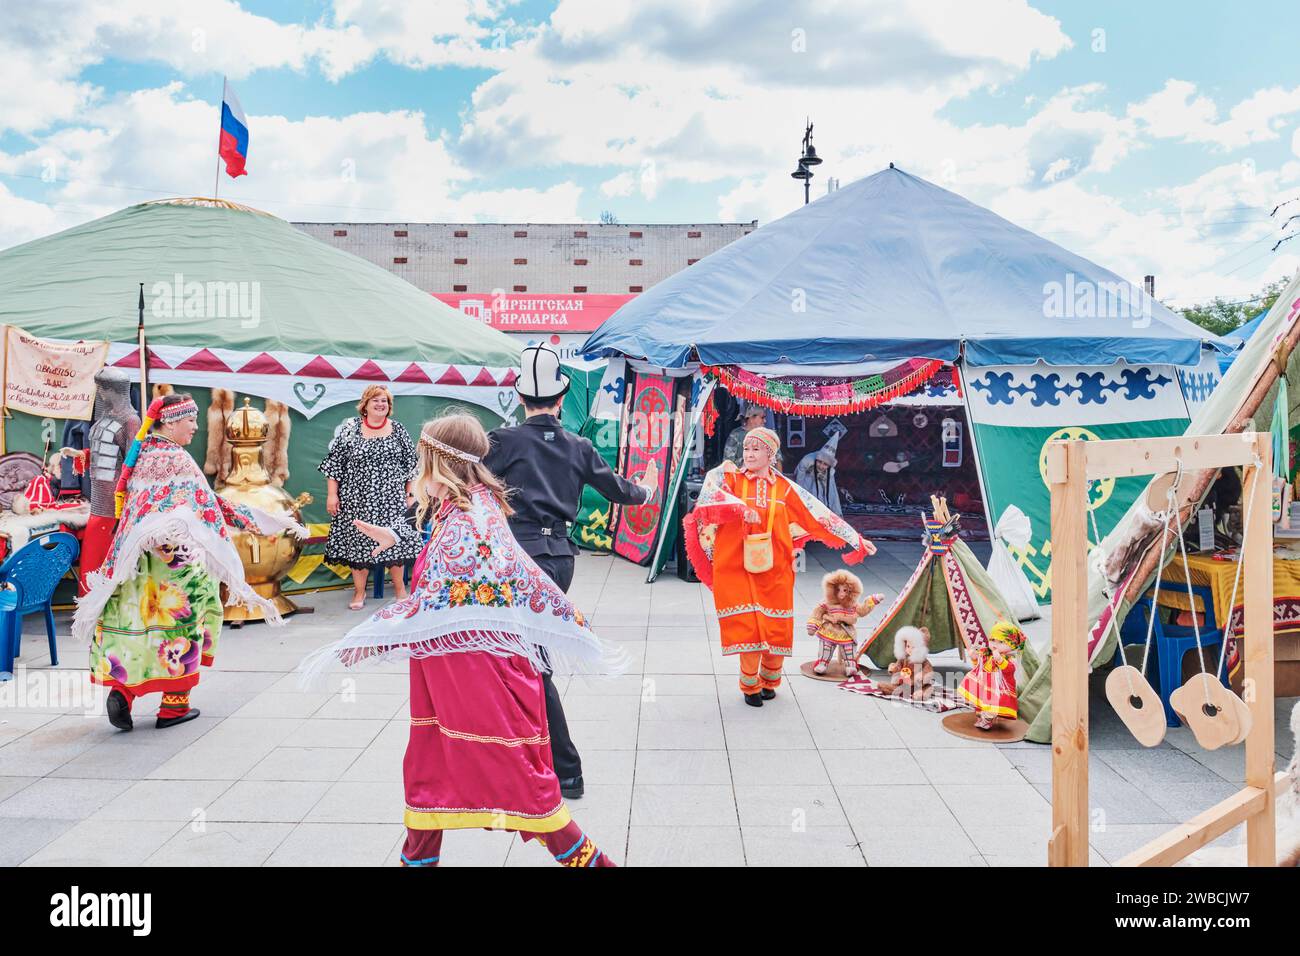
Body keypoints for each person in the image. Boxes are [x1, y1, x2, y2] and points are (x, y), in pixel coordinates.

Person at [300, 412, 619, 867]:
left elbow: (436, 599)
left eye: (422, 460)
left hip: (478, 677)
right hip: (458, 671)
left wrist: (372, 636)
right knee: (429, 773)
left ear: (441, 464)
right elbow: (452, 569)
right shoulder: (472, 505)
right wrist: (398, 535)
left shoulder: (470, 518)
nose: (416, 471)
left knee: (525, 790)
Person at [483, 344, 658, 799]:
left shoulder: (502, 440)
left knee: (528, 663)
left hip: (519, 555)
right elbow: (619, 490)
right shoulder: (578, 445)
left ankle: (564, 768)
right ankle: (544, 762)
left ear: (520, 398)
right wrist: (649, 489)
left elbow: (467, 485)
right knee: (524, 659)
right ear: (560, 399)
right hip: (559, 557)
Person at [74, 394, 304, 731]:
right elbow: (206, 504)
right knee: (183, 627)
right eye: (190, 421)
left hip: (135, 564)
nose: (196, 428)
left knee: (138, 629)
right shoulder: (176, 459)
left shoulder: (143, 456)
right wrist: (260, 520)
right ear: (170, 422)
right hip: (175, 563)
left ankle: (123, 693)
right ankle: (173, 707)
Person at [684, 427, 875, 706]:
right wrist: (737, 507)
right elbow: (709, 495)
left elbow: (820, 516)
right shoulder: (731, 480)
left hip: (776, 569)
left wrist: (855, 539)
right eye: (746, 450)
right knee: (747, 626)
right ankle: (749, 686)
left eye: (755, 450)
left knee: (775, 627)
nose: (748, 455)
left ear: (770, 455)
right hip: (736, 566)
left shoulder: (786, 489)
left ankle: (770, 680)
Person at [319, 385, 421, 610]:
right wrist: (332, 495)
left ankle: (400, 591)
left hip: (392, 499)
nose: (380, 404)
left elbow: (411, 465)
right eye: (375, 400)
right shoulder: (351, 428)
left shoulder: (398, 429)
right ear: (364, 405)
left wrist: (410, 494)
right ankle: (358, 592)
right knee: (359, 543)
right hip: (357, 499)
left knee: (396, 544)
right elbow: (334, 464)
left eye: (384, 400)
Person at [794, 432, 843, 515]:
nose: (821, 466)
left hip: (821, 483)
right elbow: (799, 480)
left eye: (825, 464)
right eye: (819, 462)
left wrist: (836, 512)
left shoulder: (830, 471)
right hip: (806, 480)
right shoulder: (806, 461)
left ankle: (824, 509)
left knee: (825, 486)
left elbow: (832, 492)